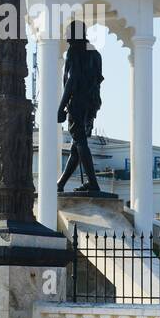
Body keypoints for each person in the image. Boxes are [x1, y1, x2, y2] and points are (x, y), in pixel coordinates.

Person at [55, 20, 105, 194]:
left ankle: (93, 183)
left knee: (80, 142)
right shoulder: (95, 52)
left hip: (77, 102)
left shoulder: (74, 51)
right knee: (77, 145)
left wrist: (61, 106)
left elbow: (72, 80)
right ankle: (60, 183)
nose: (66, 35)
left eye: (68, 31)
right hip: (92, 102)